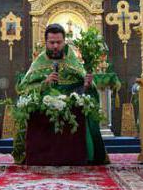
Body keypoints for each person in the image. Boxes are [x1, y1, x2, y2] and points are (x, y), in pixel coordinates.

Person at [15, 23, 107, 165]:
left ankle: (86, 155)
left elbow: (83, 90)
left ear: (64, 41)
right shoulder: (39, 63)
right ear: (45, 42)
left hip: (71, 106)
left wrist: (87, 85)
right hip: (43, 107)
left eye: (59, 42)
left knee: (86, 111)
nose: (55, 46)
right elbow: (23, 89)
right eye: (52, 43)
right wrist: (44, 83)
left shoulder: (73, 62)